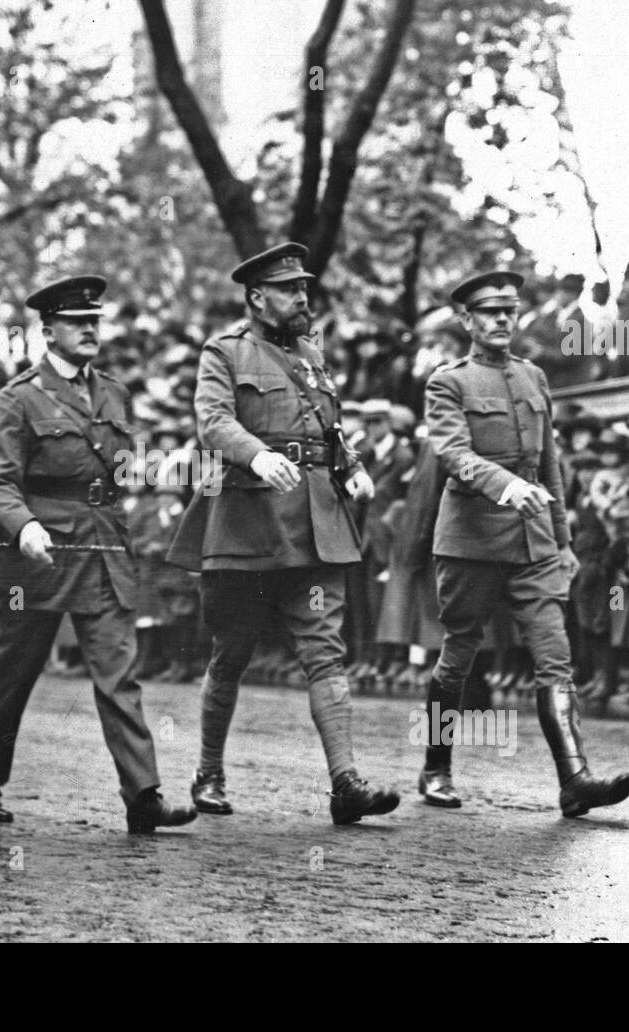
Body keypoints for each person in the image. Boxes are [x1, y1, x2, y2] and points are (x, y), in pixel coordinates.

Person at [167, 242, 399, 825]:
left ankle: (345, 781)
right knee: (232, 652)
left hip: (316, 522)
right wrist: (256, 455)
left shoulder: (312, 357)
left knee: (325, 651)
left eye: (304, 288)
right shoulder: (224, 352)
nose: (302, 298)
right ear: (256, 297)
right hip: (247, 522)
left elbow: (331, 429)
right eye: (290, 290)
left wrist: (354, 470)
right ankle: (209, 771)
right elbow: (213, 422)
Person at [0, 275, 196, 834]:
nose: (90, 330)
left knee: (119, 671)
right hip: (40, 552)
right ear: (49, 331)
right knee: (13, 669)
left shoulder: (114, 393)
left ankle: (144, 795)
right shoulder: (19, 397)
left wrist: (165, 469)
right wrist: (23, 528)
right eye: (77, 322)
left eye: (95, 321)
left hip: (104, 544)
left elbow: (121, 468)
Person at [421, 269, 629, 817]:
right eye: (489, 312)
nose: (501, 320)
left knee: (554, 657)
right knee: (460, 651)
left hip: (535, 540)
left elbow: (550, 465)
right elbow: (453, 453)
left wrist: (563, 538)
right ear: (467, 320)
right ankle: (436, 767)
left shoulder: (534, 377)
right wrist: (505, 484)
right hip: (470, 539)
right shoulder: (449, 382)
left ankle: (576, 779)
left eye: (509, 311)